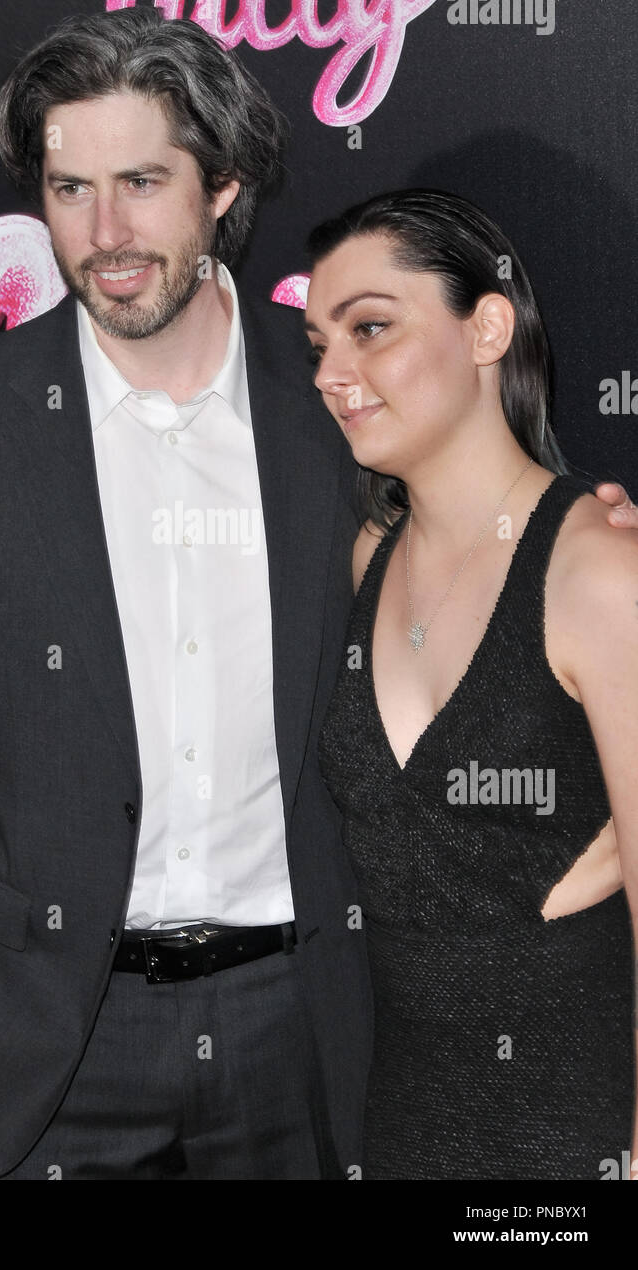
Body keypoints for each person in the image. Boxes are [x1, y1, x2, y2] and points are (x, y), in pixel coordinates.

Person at [0, 8, 636, 1182]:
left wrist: (588, 521)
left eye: (141, 181)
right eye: (68, 189)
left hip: (306, 1025)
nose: (105, 232)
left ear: (221, 185)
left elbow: (493, 526)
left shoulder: (334, 410)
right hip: (48, 1044)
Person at [308, 188, 638, 1180]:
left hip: (567, 1138)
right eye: (317, 340)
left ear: (486, 326)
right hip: (398, 1127)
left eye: (369, 327)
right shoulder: (366, 558)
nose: (332, 373)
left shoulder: (596, 573)